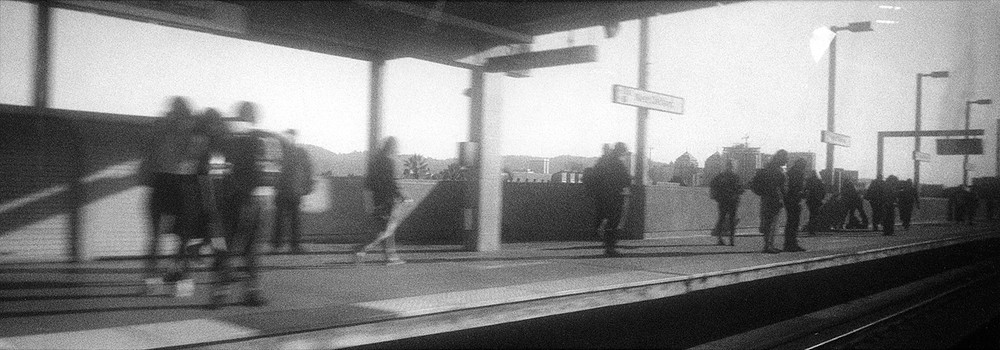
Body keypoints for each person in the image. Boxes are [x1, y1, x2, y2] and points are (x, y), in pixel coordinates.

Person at [209, 101, 282, 309]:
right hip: (265, 200)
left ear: (238, 116)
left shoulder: (226, 140)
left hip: (236, 200)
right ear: (255, 117)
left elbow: (215, 171)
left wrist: (218, 199)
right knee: (254, 248)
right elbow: (276, 172)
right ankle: (252, 292)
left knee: (228, 247)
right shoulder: (270, 139)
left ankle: (220, 293)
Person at [140, 97, 201, 297]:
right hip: (183, 184)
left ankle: (152, 283)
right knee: (184, 238)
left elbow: (148, 153)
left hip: (161, 181)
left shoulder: (159, 127)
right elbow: (194, 156)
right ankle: (182, 283)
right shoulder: (193, 130)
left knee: (155, 237)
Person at [354, 136, 409, 265]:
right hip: (387, 200)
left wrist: (370, 201)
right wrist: (401, 195)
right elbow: (391, 182)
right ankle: (361, 248)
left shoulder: (374, 161)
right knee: (386, 229)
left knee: (387, 228)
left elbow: (368, 183)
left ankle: (390, 256)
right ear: (392, 147)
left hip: (376, 199)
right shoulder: (389, 162)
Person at [584, 142, 632, 257]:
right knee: (613, 222)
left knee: (604, 218)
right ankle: (610, 247)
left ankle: (602, 237)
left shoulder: (603, 161)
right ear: (621, 151)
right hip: (615, 196)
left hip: (601, 196)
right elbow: (626, 180)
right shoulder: (618, 163)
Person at [273, 129, 314, 254]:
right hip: (293, 190)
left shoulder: (283, 152)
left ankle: (278, 244)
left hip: (285, 190)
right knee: (293, 219)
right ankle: (293, 245)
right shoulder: (300, 152)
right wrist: (307, 186)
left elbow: (277, 171)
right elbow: (307, 170)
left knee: (282, 218)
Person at [754, 149, 787, 254]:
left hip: (766, 198)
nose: (786, 160)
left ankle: (768, 244)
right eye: (785, 158)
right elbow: (780, 187)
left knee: (769, 222)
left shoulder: (768, 168)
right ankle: (768, 245)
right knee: (772, 223)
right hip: (774, 199)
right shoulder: (777, 171)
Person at [709, 159, 742, 246]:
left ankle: (721, 239)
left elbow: (713, 185)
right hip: (732, 201)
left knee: (722, 219)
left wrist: (716, 196)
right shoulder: (735, 177)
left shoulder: (721, 176)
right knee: (731, 220)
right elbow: (740, 188)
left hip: (723, 200)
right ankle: (731, 240)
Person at [783, 159, 807, 252]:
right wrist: (802, 193)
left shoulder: (791, 172)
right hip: (794, 200)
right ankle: (791, 244)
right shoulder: (797, 173)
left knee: (791, 222)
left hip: (791, 199)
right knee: (793, 222)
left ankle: (790, 243)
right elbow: (796, 187)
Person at [803, 170, 826, 235]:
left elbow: (805, 190)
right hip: (817, 200)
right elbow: (823, 191)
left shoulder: (809, 181)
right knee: (815, 215)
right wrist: (821, 198)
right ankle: (813, 229)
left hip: (810, 200)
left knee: (812, 214)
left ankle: (811, 229)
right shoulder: (819, 181)